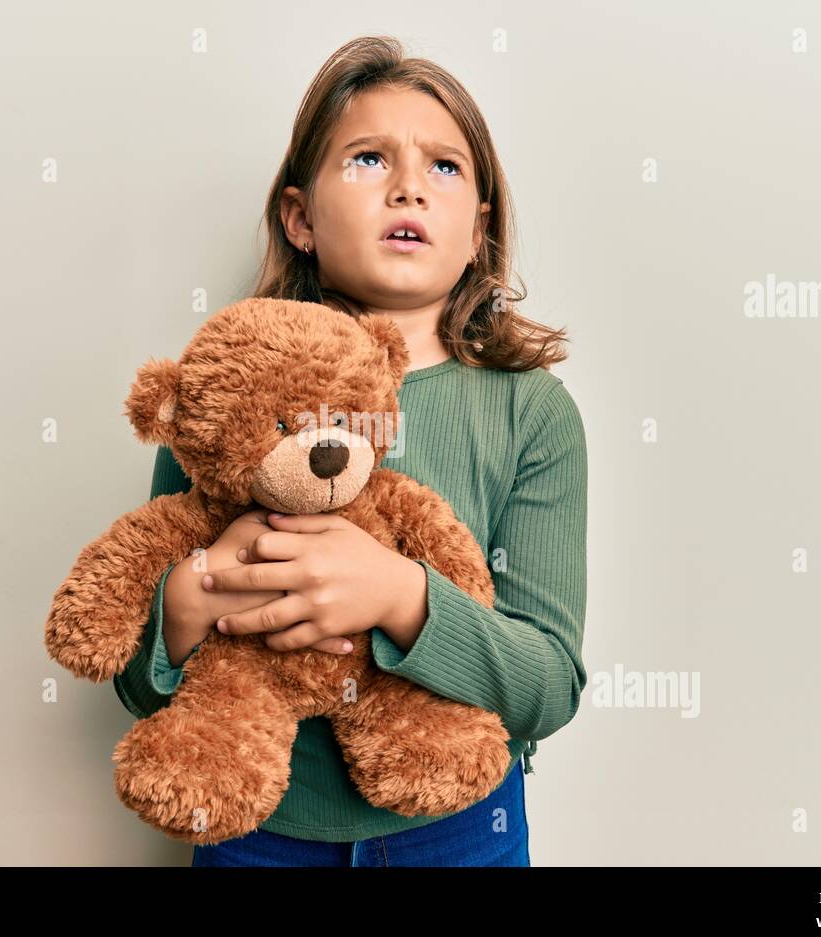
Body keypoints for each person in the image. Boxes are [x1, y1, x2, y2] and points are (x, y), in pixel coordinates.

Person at [113, 34, 588, 867]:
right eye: (369, 159)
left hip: (465, 825)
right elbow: (135, 672)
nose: (409, 184)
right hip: (255, 828)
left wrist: (399, 595)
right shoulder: (226, 395)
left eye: (445, 167)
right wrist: (197, 591)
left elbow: (547, 684)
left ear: (478, 231)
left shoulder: (530, 412)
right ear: (299, 218)